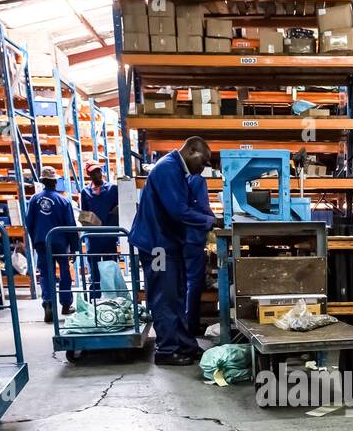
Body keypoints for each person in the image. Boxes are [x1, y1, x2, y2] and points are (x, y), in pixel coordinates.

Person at [128, 136, 214, 365]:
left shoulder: (177, 169)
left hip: (167, 242)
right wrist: (209, 222)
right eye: (203, 162)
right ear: (192, 150)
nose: (203, 168)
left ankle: (185, 344)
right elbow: (178, 210)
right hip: (156, 245)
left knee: (176, 296)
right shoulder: (168, 168)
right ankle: (166, 350)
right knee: (164, 297)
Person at [26, 166, 76, 323]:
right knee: (64, 271)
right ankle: (66, 304)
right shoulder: (63, 200)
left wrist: (35, 240)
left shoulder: (34, 199)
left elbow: (29, 222)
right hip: (60, 242)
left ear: (42, 181)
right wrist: (74, 247)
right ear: (55, 181)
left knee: (46, 273)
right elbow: (71, 225)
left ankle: (48, 303)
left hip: (42, 241)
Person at [182, 171, 214, 338]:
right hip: (193, 238)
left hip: (180, 239)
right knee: (194, 284)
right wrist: (213, 220)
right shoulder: (197, 180)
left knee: (183, 283)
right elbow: (202, 205)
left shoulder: (178, 179)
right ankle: (191, 326)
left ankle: (186, 324)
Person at [79, 162, 119, 294]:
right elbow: (84, 213)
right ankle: (95, 297)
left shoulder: (113, 189)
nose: (97, 174)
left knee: (110, 267)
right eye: (93, 172)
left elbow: (120, 208)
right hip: (93, 237)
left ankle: (112, 297)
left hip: (109, 236)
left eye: (98, 171)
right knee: (94, 268)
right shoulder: (85, 192)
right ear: (88, 174)